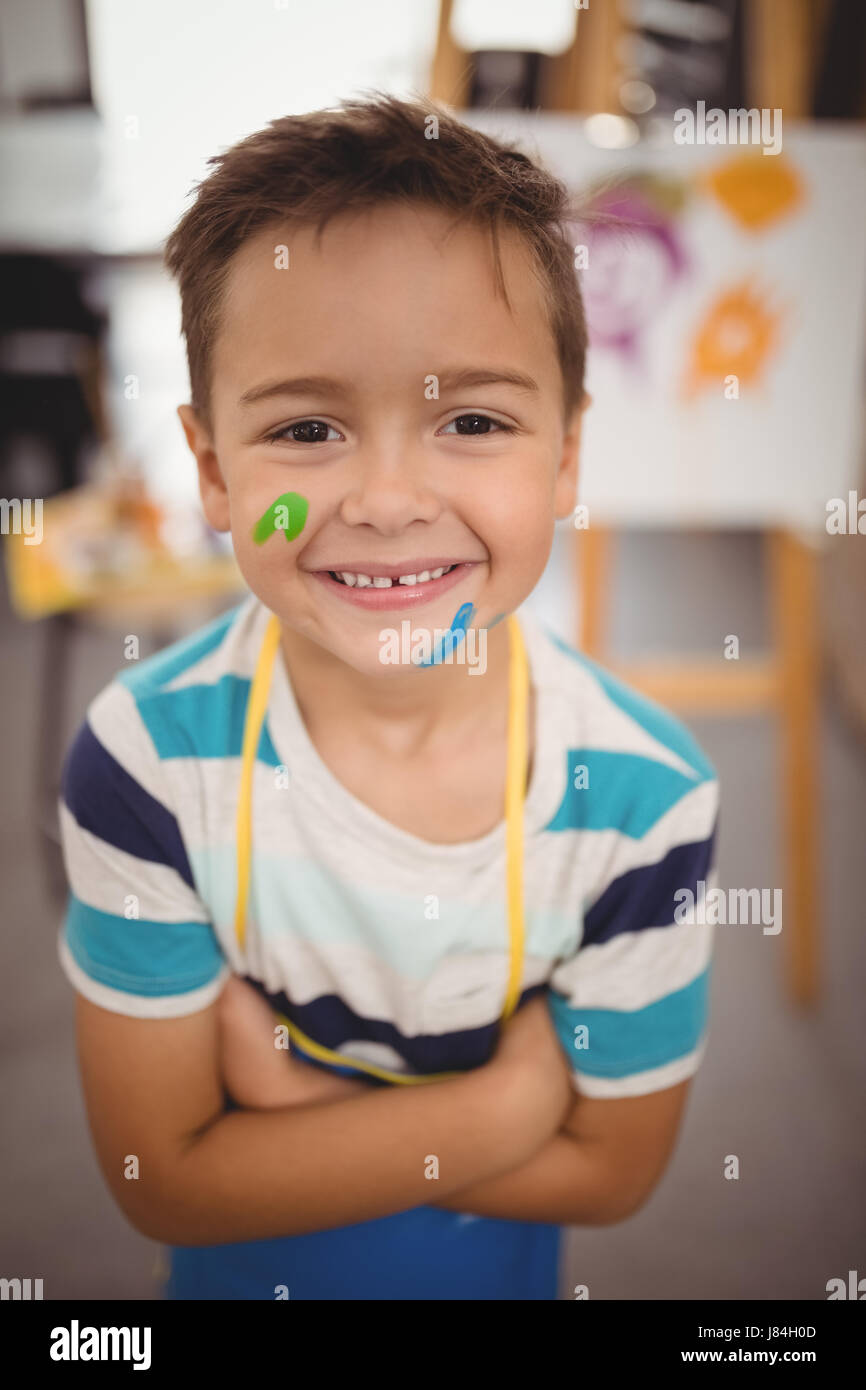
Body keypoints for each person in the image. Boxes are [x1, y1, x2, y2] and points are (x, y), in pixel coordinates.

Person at [57, 94, 721, 1300]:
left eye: (471, 419)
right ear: (214, 472)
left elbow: (614, 1176)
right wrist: (514, 1102)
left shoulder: (640, 798)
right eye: (307, 428)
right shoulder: (148, 764)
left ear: (565, 455)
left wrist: (292, 1107)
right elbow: (162, 1178)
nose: (386, 497)